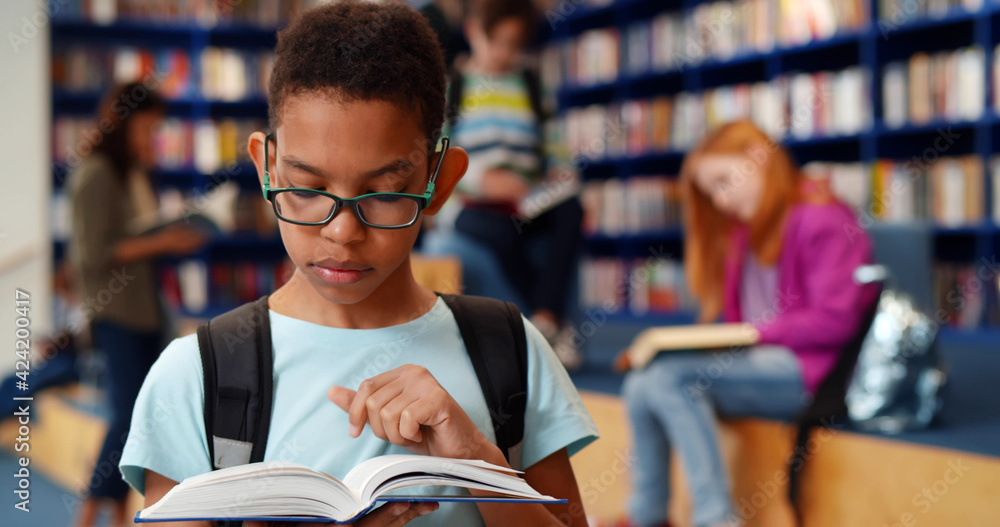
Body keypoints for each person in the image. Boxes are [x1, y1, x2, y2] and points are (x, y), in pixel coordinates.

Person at [118, 3, 598, 527]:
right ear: (266, 167)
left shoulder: (512, 350)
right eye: (307, 188)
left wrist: (479, 463)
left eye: (387, 193)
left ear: (438, 182)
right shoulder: (195, 377)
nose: (342, 231)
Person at [622, 121, 880, 527]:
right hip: (760, 362)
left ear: (759, 161)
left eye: (725, 182)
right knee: (641, 381)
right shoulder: (742, 231)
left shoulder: (822, 220)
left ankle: (715, 519)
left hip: (813, 373)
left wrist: (756, 333)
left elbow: (834, 322)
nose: (720, 201)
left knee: (668, 377)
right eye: (711, 193)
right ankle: (647, 517)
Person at [68, 82, 207, 527]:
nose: (153, 138)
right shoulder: (95, 174)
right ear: (125, 122)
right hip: (116, 314)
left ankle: (115, 512)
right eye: (148, 128)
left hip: (146, 312)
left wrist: (168, 239)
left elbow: (135, 236)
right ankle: (89, 511)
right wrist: (162, 240)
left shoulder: (131, 172)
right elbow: (95, 252)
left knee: (140, 416)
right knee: (128, 413)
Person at [443, 0, 584, 367]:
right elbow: (433, 158)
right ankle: (551, 324)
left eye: (515, 43)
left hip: (528, 197)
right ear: (475, 31)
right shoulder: (451, 90)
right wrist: (481, 179)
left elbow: (555, 150)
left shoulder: (533, 85)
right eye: (498, 41)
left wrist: (563, 179)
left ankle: (545, 320)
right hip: (470, 204)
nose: (506, 53)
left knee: (572, 210)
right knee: (502, 233)